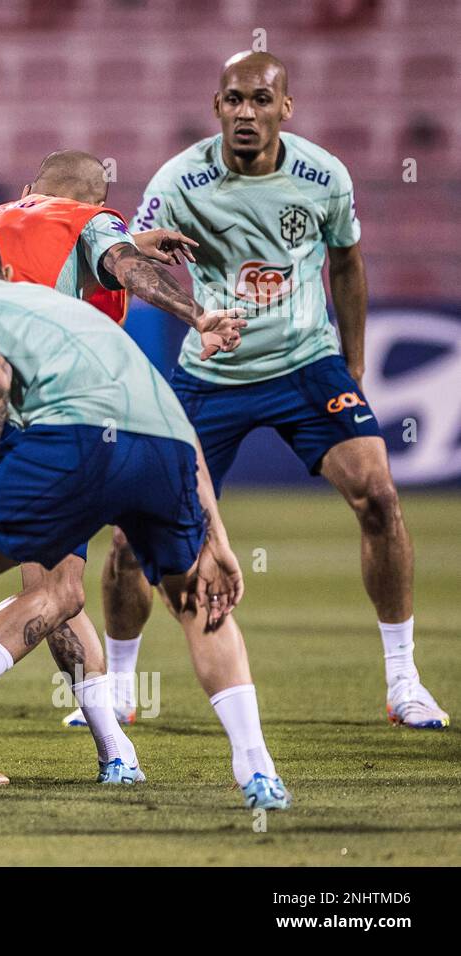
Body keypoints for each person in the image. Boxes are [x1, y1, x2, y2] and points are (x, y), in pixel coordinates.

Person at [0, 214, 290, 816]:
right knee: (199, 600)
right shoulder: (77, 313)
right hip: (164, 448)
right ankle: (258, 771)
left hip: (77, 442)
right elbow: (169, 414)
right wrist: (215, 535)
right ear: (10, 271)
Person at [110, 51, 447, 730]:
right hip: (211, 375)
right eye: (233, 99)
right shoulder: (181, 179)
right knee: (130, 533)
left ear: (284, 110)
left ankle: (404, 679)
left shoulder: (323, 176)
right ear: (217, 106)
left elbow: (347, 261)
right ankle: (118, 687)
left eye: (260, 100)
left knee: (379, 497)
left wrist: (351, 360)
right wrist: (144, 242)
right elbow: (125, 255)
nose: (245, 113)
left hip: (305, 363)